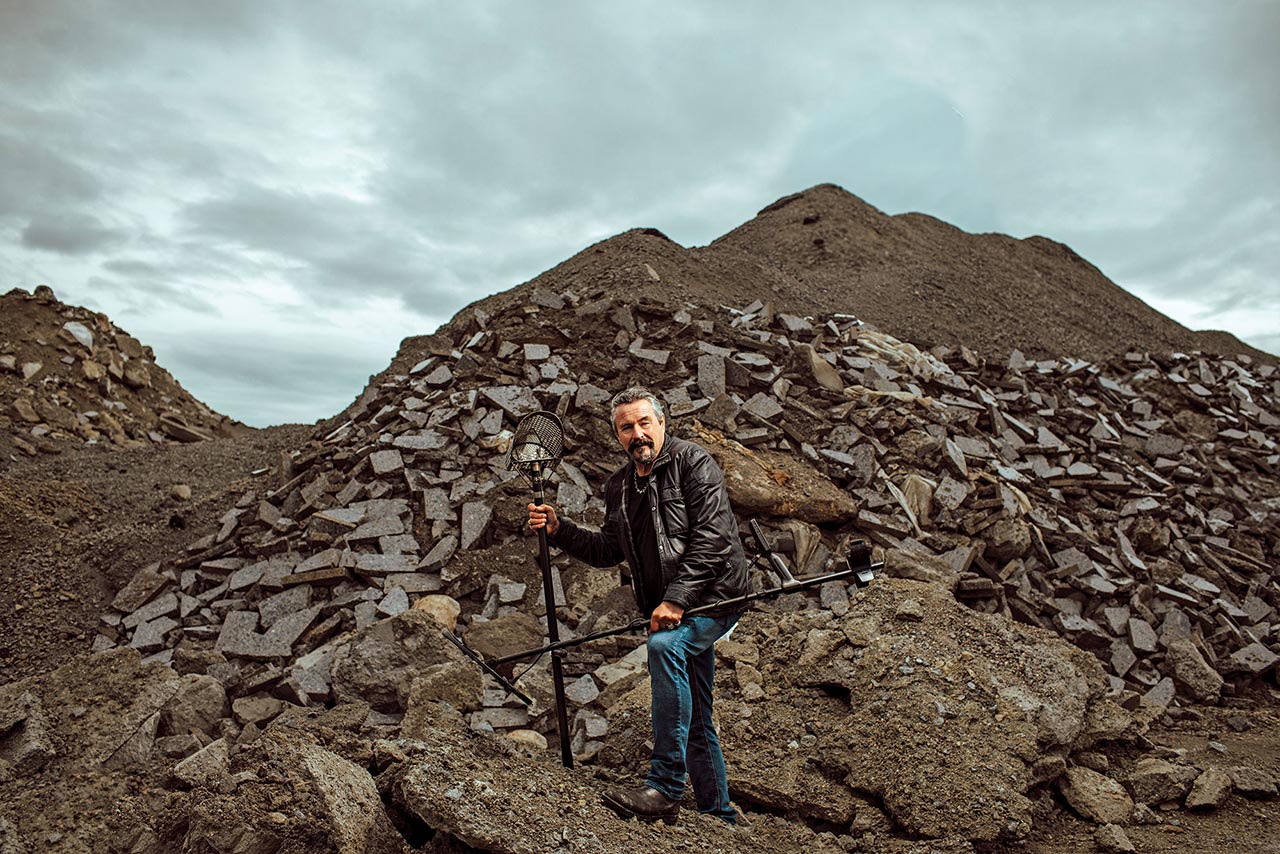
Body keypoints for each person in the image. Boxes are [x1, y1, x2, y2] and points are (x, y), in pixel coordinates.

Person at [527, 386, 751, 826]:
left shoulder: (693, 463)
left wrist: (675, 599)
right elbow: (611, 548)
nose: (638, 433)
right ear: (617, 436)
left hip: (716, 597)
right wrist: (559, 531)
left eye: (644, 422)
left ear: (662, 423)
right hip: (676, 607)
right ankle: (719, 813)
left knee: (666, 648)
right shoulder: (620, 486)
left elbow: (714, 538)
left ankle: (666, 788)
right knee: (696, 707)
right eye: (627, 427)